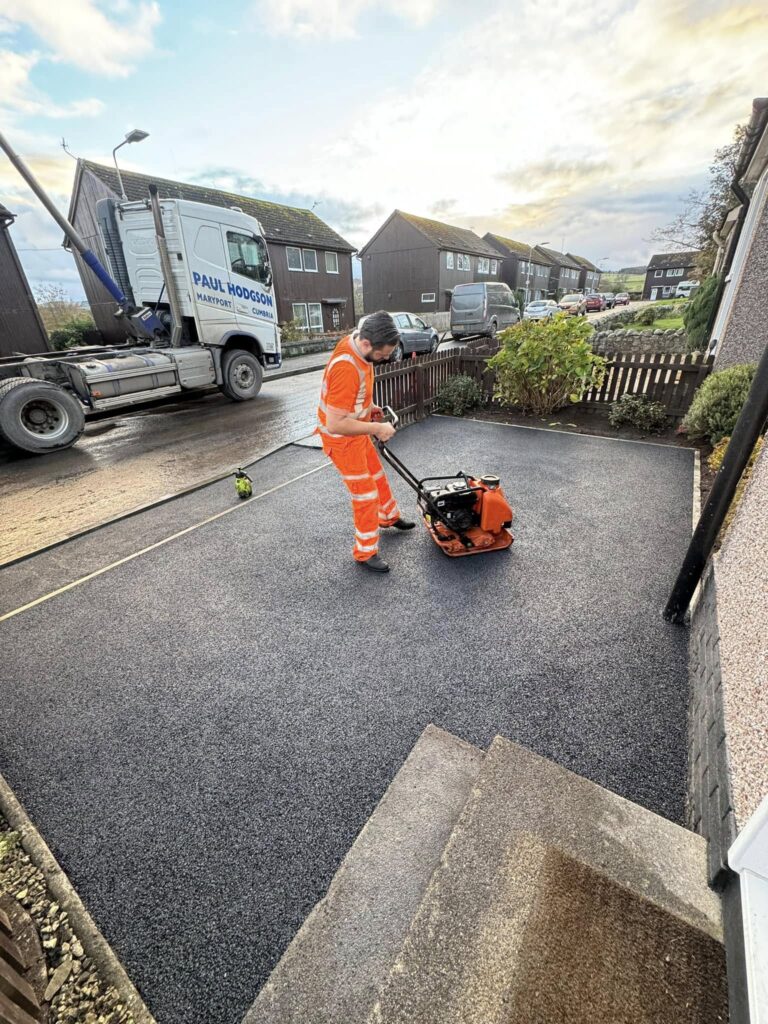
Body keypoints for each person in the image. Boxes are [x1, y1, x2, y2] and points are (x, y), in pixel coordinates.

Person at [317, 311, 415, 573]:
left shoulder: (359, 346)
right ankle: (365, 552)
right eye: (382, 355)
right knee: (366, 495)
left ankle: (388, 518)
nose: (383, 360)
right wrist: (376, 428)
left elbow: (353, 396)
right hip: (341, 440)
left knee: (377, 475)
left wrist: (369, 407)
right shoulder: (346, 367)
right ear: (366, 344)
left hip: (356, 432)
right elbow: (335, 423)